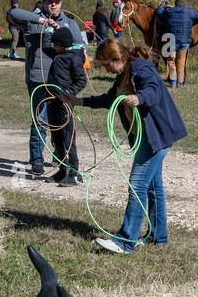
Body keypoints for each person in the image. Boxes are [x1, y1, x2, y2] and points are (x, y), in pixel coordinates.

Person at [78, 39, 186, 253]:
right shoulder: (123, 73)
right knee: (153, 188)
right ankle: (159, 237)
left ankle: (125, 242)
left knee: (137, 186)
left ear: (117, 58)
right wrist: (76, 101)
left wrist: (139, 97)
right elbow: (110, 99)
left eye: (106, 64)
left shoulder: (140, 68)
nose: (105, 69)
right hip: (148, 136)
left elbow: (154, 90)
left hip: (157, 136)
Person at [8, 0, 83, 176]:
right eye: (49, 1)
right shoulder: (32, 21)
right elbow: (12, 14)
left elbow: (80, 48)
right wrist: (40, 21)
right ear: (44, 3)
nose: (53, 4)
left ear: (61, 3)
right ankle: (37, 159)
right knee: (39, 120)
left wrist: (62, 34)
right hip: (38, 78)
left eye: (56, 1)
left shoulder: (69, 22)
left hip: (60, 81)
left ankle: (59, 157)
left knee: (60, 121)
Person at [43, 26, 86, 187]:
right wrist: (48, 31)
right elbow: (45, 46)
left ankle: (74, 172)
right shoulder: (57, 54)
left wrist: (68, 93)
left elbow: (81, 81)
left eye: (56, 43)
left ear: (62, 44)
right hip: (52, 102)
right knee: (57, 138)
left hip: (64, 104)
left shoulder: (74, 58)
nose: (53, 46)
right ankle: (63, 170)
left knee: (68, 138)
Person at [155, 0, 198, 87]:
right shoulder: (190, 12)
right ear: (184, 3)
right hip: (185, 41)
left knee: (171, 61)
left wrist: (161, 4)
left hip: (171, 40)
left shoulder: (169, 11)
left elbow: (159, 12)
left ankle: (173, 83)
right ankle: (180, 83)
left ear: (175, 3)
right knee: (181, 62)